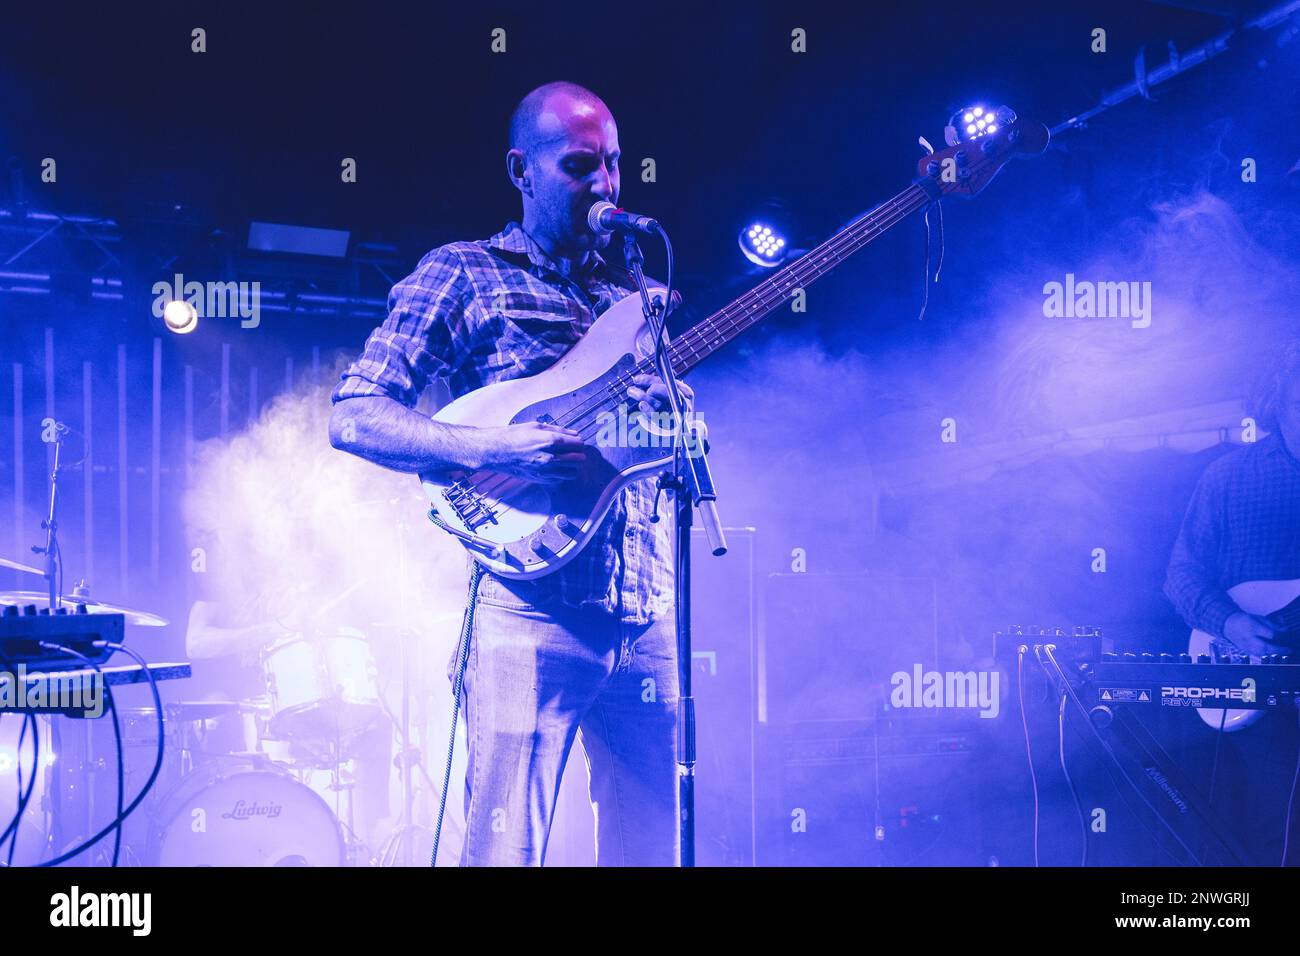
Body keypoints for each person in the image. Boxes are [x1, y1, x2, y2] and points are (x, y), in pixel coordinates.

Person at [329, 81, 690, 866]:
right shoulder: (463, 274)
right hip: (531, 611)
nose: (605, 184)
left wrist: (674, 421)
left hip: (646, 611)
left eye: (615, 165)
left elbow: (658, 454)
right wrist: (488, 450)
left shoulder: (636, 297)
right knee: (505, 852)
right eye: (581, 164)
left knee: (655, 849)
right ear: (521, 170)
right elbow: (354, 413)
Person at [1163, 341, 1300, 865]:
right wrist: (1231, 622)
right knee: (1275, 829)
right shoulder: (1229, 477)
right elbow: (1180, 574)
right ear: (1274, 405)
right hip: (1250, 681)